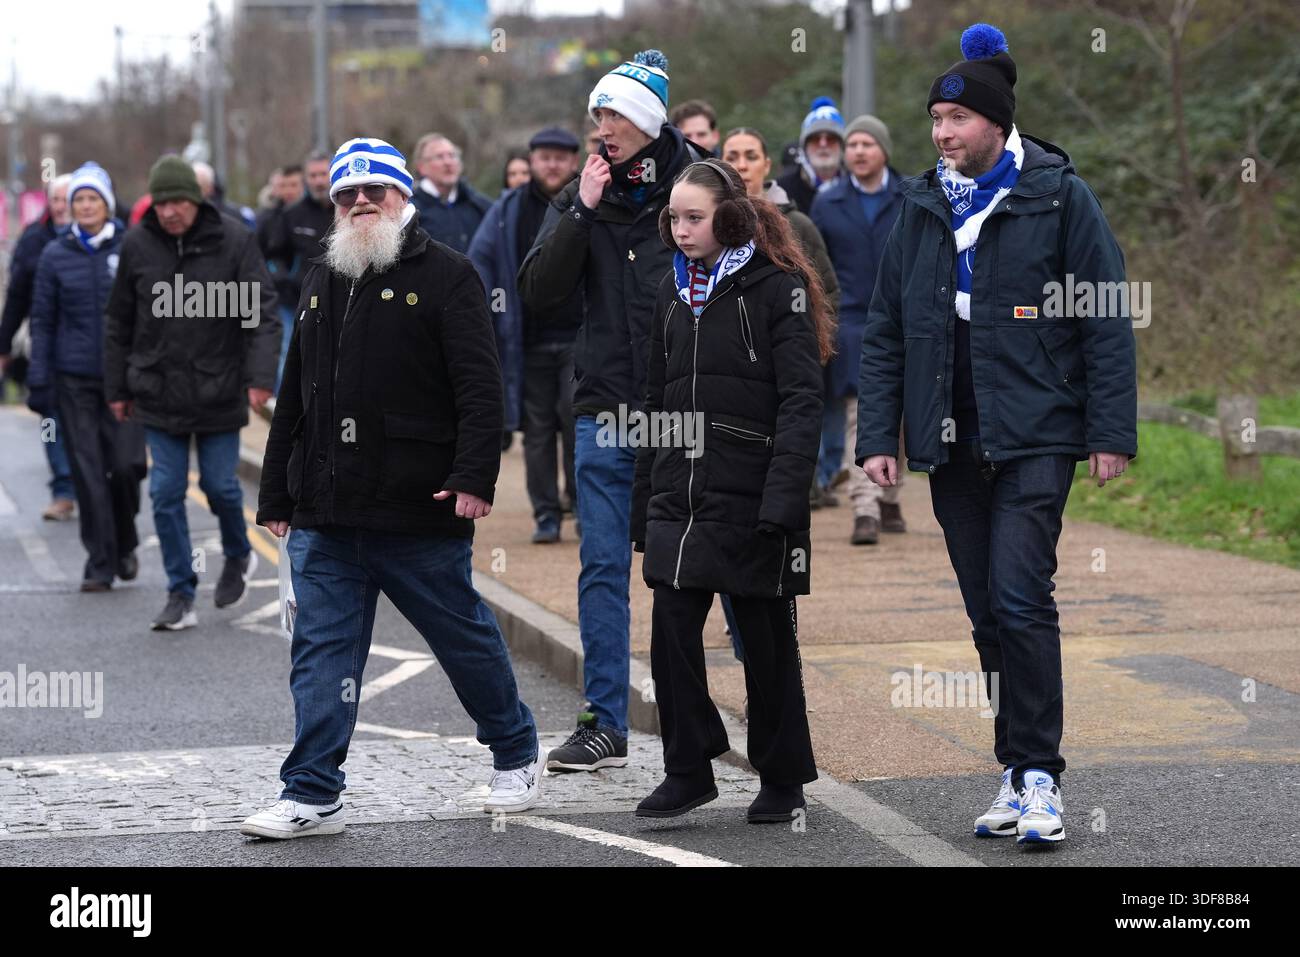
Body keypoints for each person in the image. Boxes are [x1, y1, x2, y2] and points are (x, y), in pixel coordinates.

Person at [858, 23, 1137, 846]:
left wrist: (1108, 428)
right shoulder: (918, 207)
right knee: (986, 612)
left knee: (1021, 597)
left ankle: (1042, 775)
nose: (942, 133)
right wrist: (881, 434)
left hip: (1038, 429)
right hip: (950, 435)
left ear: (995, 122)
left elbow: (1107, 318)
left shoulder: (1058, 194)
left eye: (956, 118)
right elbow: (886, 330)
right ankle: (1014, 770)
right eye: (935, 118)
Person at [244, 137, 542, 839]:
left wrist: (474, 475)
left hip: (419, 502)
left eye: (375, 189)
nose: (360, 202)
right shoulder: (323, 274)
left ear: (402, 195)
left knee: (461, 638)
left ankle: (517, 751)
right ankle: (313, 791)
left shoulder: (449, 274)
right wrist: (278, 494)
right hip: (326, 508)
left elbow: (479, 385)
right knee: (320, 651)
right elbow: (296, 393)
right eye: (347, 193)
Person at [518, 49, 706, 773]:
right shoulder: (578, 194)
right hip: (602, 405)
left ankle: (699, 720)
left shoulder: (696, 186)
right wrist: (581, 210)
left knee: (685, 567)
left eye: (617, 114)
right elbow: (537, 289)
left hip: (682, 410)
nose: (604, 127)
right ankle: (605, 720)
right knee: (601, 564)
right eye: (598, 114)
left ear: (649, 122)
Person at [631, 159, 831, 821]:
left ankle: (782, 778)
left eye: (695, 217)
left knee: (767, 643)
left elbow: (804, 399)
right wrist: (644, 497)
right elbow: (655, 398)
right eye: (674, 219)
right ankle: (690, 766)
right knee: (671, 632)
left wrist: (785, 496)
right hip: (679, 492)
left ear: (733, 217)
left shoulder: (781, 288)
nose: (681, 230)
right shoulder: (669, 290)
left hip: (754, 491)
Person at [103, 155, 281, 631]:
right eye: (161, 203)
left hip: (218, 388)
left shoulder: (234, 240)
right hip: (156, 390)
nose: (168, 211)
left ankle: (239, 554)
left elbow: (261, 315)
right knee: (164, 492)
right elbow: (119, 321)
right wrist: (117, 387)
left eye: (178, 201)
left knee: (221, 488)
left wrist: (260, 377)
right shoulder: (138, 244)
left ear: (197, 200)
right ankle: (180, 592)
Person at [718, 125, 843, 661]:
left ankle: (773, 655)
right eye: (731, 156)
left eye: (751, 156)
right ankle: (744, 634)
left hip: (777, 400)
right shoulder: (702, 232)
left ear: (767, 163)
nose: (742, 164)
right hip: (723, 405)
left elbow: (825, 293)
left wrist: (801, 359)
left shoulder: (797, 225)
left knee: (772, 526)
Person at [27, 163, 144, 591]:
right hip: (73, 380)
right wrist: (40, 380)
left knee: (127, 467)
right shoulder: (55, 255)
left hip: (124, 381)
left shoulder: (131, 246)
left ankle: (126, 540)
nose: (86, 206)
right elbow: (42, 320)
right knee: (88, 473)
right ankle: (99, 562)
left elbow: (148, 312)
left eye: (93, 198)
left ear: (107, 204)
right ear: (70, 207)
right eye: (78, 199)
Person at [468, 127, 581, 544]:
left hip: (577, 337)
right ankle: (546, 514)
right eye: (544, 157)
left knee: (576, 421)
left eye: (560, 157)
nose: (552, 164)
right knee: (536, 431)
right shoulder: (507, 208)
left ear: (574, 161)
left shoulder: (589, 200)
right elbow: (479, 263)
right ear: (531, 161)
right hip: (527, 340)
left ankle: (582, 507)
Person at [810, 115, 907, 544]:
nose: (859, 151)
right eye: (854, 145)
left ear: (884, 149)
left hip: (904, 320)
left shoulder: (912, 196)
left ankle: (889, 497)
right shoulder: (827, 203)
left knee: (902, 419)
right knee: (861, 417)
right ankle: (864, 509)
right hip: (851, 323)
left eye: (868, 143)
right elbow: (817, 269)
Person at [0, 173, 77, 522]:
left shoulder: (106, 238)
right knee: (51, 419)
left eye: (68, 199)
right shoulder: (33, 240)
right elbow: (16, 296)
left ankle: (92, 484)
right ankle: (63, 490)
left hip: (92, 350)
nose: (61, 207)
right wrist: (4, 343)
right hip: (44, 345)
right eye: (56, 200)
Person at [259, 151, 334, 393]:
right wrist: (282, 276)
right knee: (291, 359)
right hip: (295, 301)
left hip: (338, 299)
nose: (319, 180)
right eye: (313, 175)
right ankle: (290, 414)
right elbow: (274, 254)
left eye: (323, 174)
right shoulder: (291, 215)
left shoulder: (349, 208)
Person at [409, 133, 492, 253]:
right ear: (422, 167)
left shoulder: (479, 205)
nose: (448, 162)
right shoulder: (410, 210)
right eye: (439, 157)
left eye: (452, 156)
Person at [775, 96, 845, 215]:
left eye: (831, 138)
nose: (823, 144)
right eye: (815, 138)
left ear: (842, 146)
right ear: (804, 147)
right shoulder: (781, 189)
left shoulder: (858, 185)